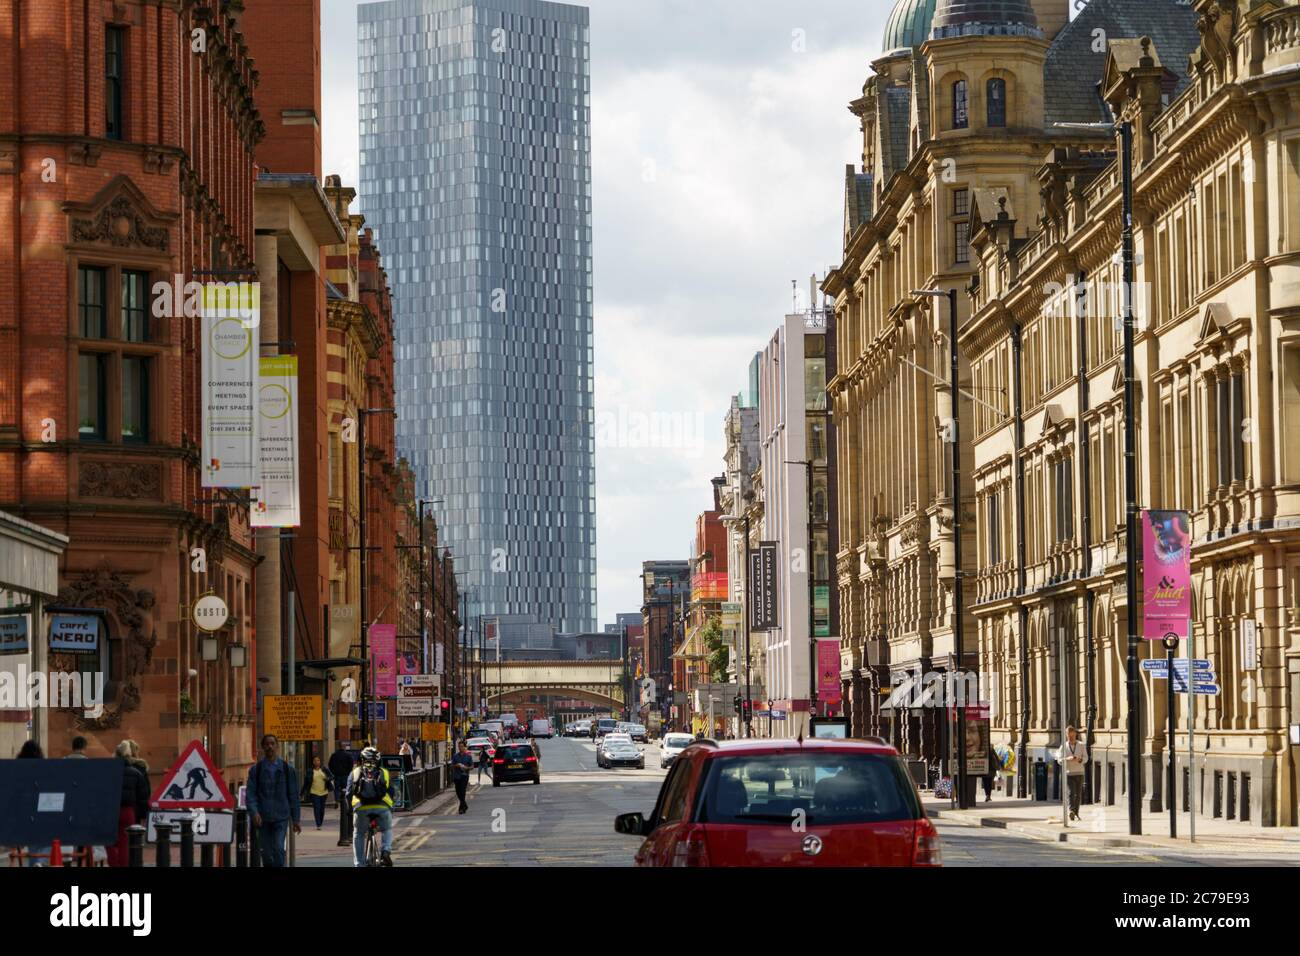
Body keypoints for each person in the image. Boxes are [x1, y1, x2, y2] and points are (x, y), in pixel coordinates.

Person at [246, 734, 301, 867]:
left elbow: (293, 796)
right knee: (266, 853)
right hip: (263, 818)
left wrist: (296, 820)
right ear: (263, 747)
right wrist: (254, 812)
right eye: (267, 744)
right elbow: (251, 794)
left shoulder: (288, 770)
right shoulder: (256, 770)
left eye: (272, 744)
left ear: (277, 746)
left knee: (278, 848)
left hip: (281, 817)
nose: (270, 746)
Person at [346, 747, 393, 866]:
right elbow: (391, 793)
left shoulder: (354, 772)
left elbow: (348, 794)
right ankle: (385, 852)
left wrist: (349, 810)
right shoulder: (384, 772)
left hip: (361, 808)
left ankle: (359, 863)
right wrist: (390, 808)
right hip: (382, 808)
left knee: (359, 833)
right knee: (386, 829)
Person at [107, 741, 149, 867]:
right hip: (128, 811)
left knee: (109, 841)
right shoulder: (136, 773)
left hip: (111, 811)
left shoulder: (109, 772)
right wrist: (142, 815)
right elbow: (143, 796)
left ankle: (114, 864)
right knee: (125, 842)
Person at [1056, 725, 1088, 821]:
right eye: (1069, 736)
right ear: (1066, 736)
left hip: (1079, 772)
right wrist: (1067, 759)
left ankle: (1076, 813)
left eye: (1073, 736)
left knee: (1078, 794)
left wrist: (1080, 760)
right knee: (1071, 793)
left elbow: (1086, 758)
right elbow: (1058, 760)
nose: (1071, 738)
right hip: (1069, 773)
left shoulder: (1081, 745)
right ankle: (1071, 811)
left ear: (1075, 735)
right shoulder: (1063, 746)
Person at [300, 755, 335, 830]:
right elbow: (306, 783)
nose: (317, 762)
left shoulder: (324, 769)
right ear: (313, 762)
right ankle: (318, 824)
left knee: (322, 809)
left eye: (318, 760)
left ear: (320, 761)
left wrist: (327, 779)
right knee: (317, 808)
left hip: (324, 792)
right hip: (314, 792)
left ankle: (320, 822)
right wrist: (301, 794)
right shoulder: (310, 771)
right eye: (315, 760)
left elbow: (332, 776)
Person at [451, 739, 474, 814]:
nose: (460, 748)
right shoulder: (455, 756)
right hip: (457, 776)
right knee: (458, 792)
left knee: (462, 791)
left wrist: (467, 768)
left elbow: (472, 766)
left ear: (465, 747)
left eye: (462, 746)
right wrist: (456, 765)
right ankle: (465, 805)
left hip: (464, 776)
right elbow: (452, 765)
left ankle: (461, 808)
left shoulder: (468, 756)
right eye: (459, 746)